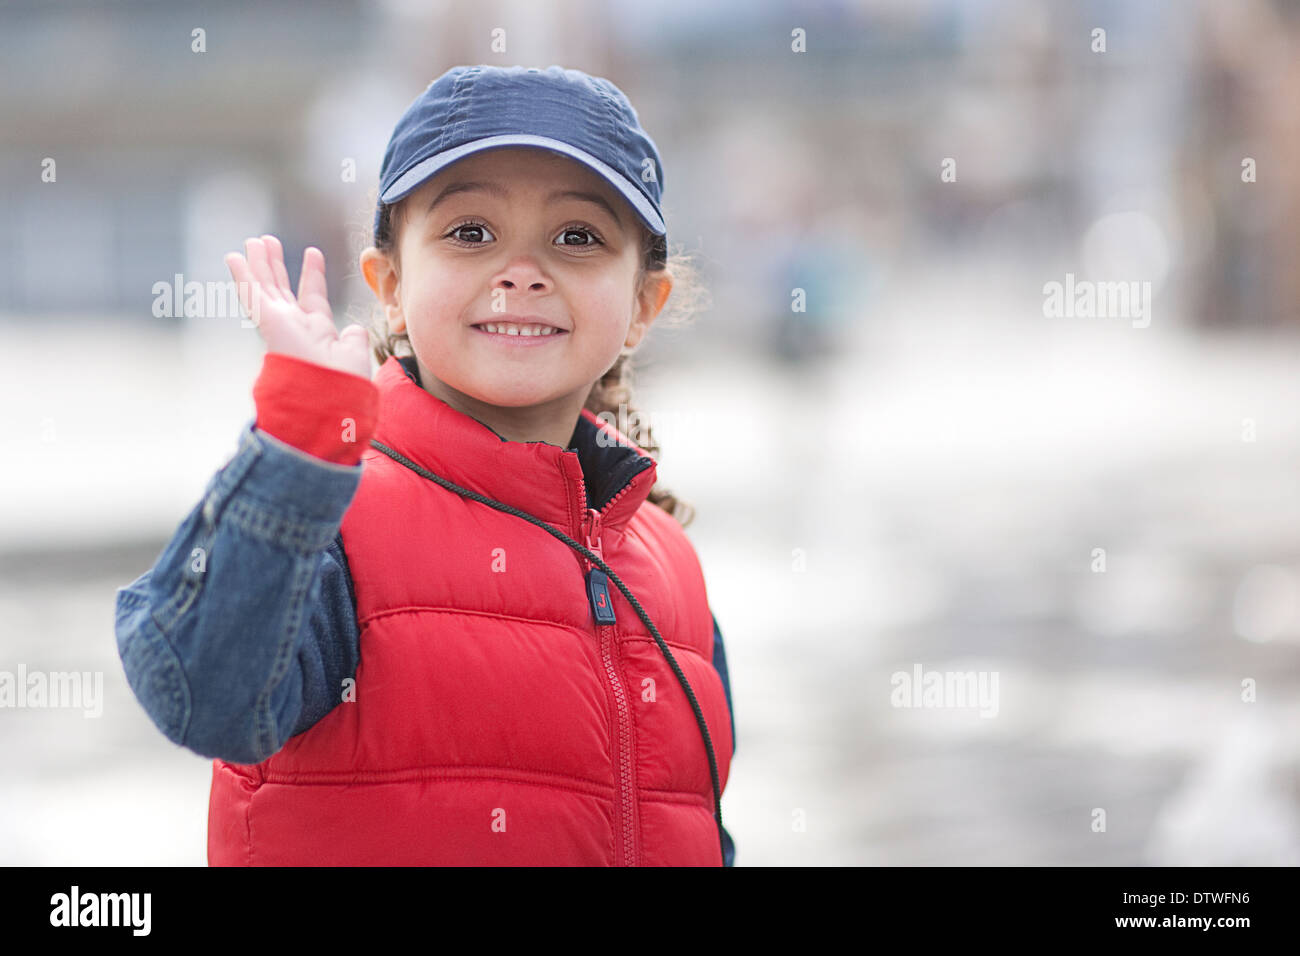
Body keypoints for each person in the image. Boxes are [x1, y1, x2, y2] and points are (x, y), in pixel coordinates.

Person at [114, 65, 736, 866]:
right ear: (391, 287)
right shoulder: (328, 518)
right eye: (470, 232)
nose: (521, 270)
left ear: (643, 309)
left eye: (577, 236)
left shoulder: (671, 567)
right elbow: (201, 693)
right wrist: (301, 437)